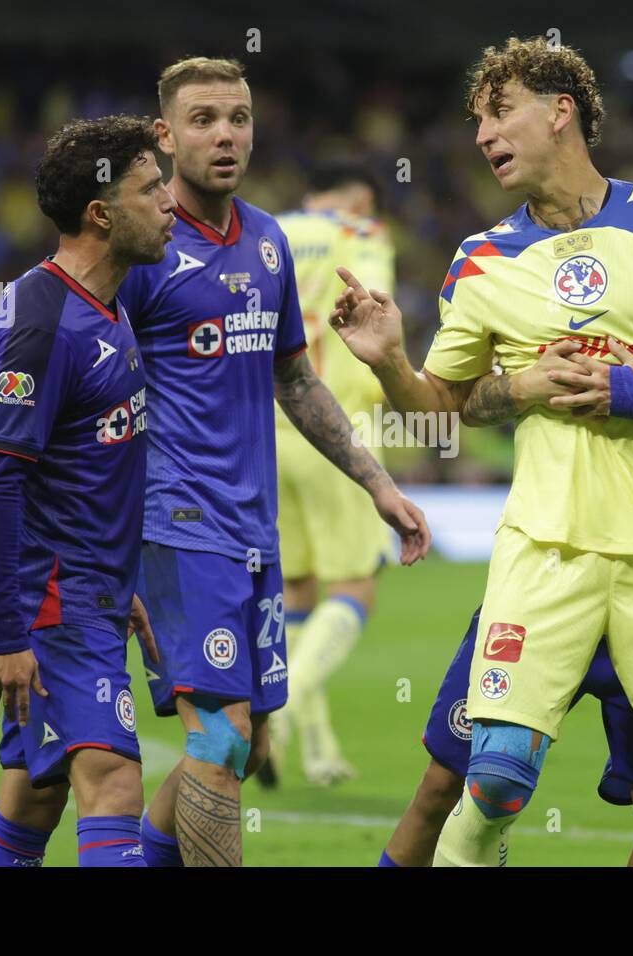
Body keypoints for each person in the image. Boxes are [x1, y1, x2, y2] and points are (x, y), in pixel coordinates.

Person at [334, 37, 633, 867]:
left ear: (560, 112)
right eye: (476, 121)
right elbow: (442, 408)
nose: (482, 135)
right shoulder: (481, 259)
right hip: (545, 549)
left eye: (499, 112)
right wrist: (391, 360)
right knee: (495, 779)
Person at [119, 56, 430, 868]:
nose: (225, 135)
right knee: (220, 742)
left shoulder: (267, 241)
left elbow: (295, 377)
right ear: (164, 135)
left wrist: (378, 483)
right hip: (178, 526)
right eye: (203, 119)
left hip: (255, 527)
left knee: (240, 753)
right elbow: (91, 401)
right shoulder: (140, 251)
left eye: (239, 118)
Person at [0, 115, 175, 867]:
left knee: (34, 795)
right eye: (151, 190)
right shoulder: (45, 324)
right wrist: (5, 636)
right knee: (115, 780)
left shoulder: (106, 307)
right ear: (101, 213)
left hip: (88, 589)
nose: (169, 204)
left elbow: (83, 467)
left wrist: (118, 579)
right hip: (54, 601)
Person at [264, 161, 397, 787]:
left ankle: (318, 750)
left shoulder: (270, 233)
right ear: (363, 195)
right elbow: (375, 312)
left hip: (271, 426)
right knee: (355, 587)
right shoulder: (363, 233)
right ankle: (284, 701)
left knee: (298, 593)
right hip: (337, 429)